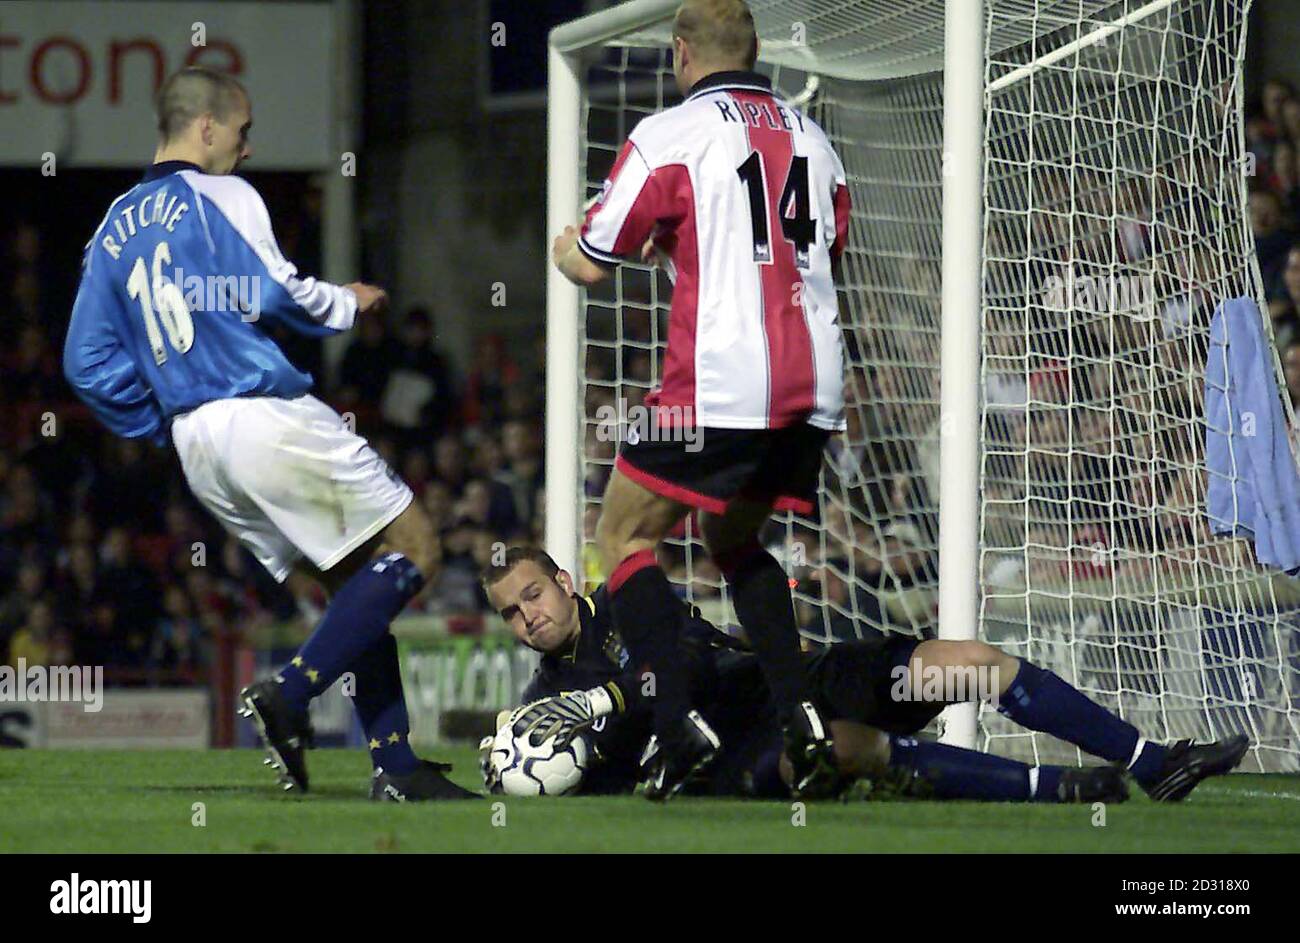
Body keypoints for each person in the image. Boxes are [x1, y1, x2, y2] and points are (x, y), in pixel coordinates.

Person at [62, 66, 474, 801]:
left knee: (356, 583)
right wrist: (345, 304)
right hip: (258, 413)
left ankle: (396, 765)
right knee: (417, 545)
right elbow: (276, 288)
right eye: (244, 131)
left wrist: (164, 409)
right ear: (207, 127)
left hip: (200, 446)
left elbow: (84, 362)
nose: (249, 149)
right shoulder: (222, 194)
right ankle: (288, 694)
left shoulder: (110, 226)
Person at [550, 0, 852, 799]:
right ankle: (802, 719)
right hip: (814, 383)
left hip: (721, 382)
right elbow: (820, 246)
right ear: (753, 51)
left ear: (682, 52)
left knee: (620, 534)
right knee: (732, 534)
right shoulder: (814, 138)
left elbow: (590, 260)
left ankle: (675, 722)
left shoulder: (672, 134)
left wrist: (562, 246)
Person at [483, 547, 1249, 802]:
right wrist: (512, 766)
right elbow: (583, 775)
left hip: (784, 685)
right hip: (735, 757)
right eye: (513, 614)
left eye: (533, 594)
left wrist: (610, 696)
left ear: (560, 577)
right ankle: (1059, 788)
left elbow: (684, 657)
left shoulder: (626, 599)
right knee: (847, 748)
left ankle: (1155, 762)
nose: (530, 617)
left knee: (967, 665)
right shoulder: (543, 704)